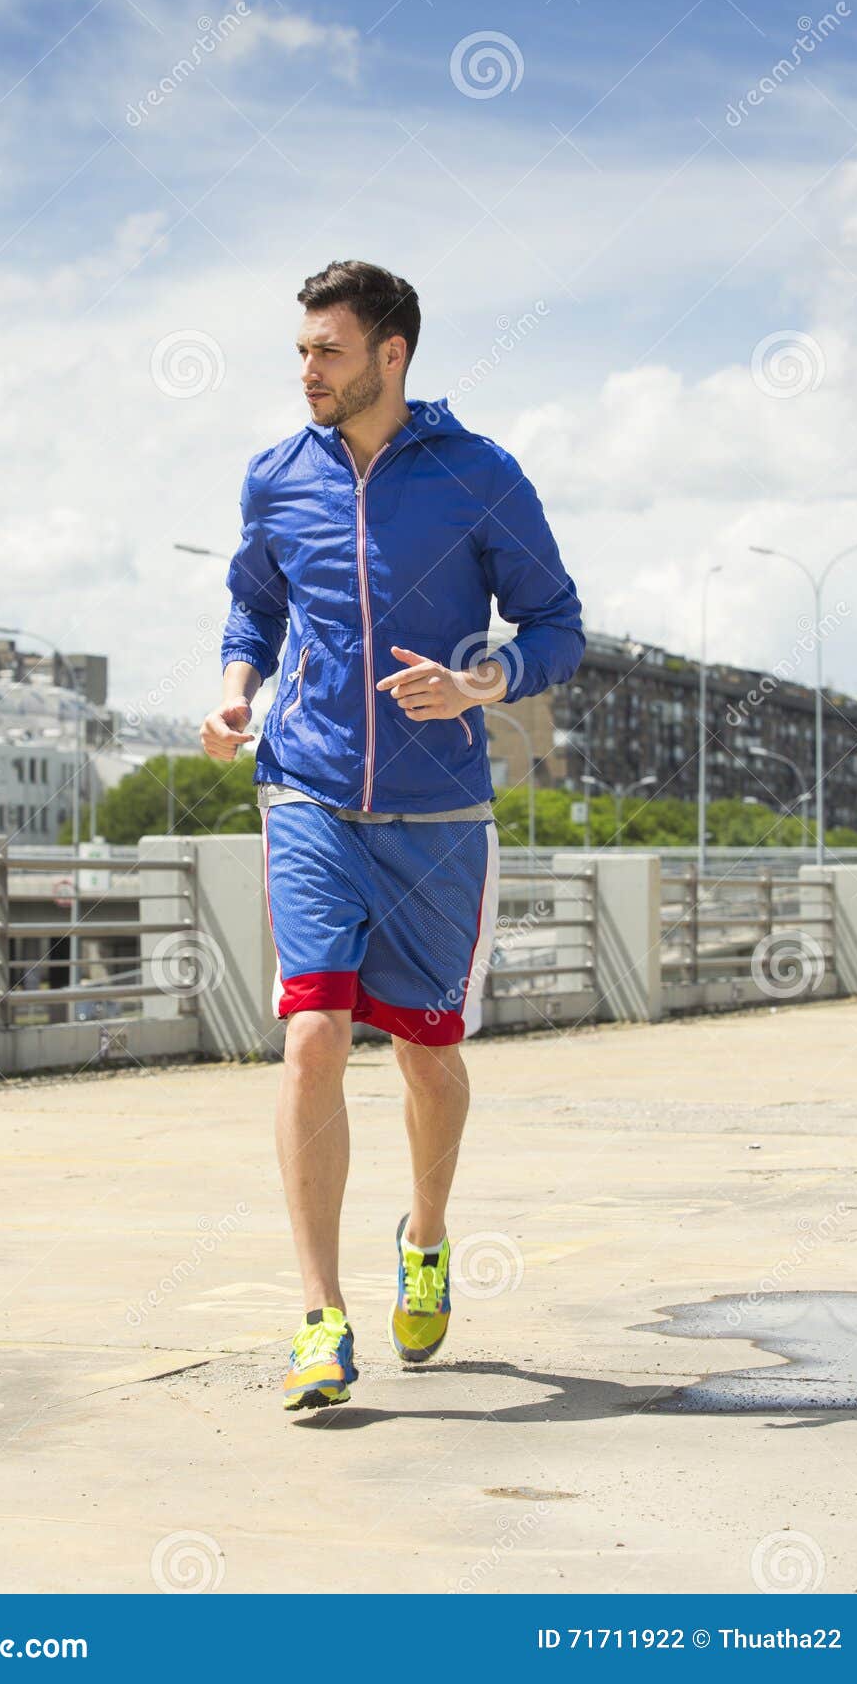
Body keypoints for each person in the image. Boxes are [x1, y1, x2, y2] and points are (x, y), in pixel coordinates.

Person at [200, 259, 583, 1412]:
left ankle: (424, 1232)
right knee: (312, 1030)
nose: (306, 369)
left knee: (425, 1052)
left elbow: (557, 625)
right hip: (307, 789)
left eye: (326, 350)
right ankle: (320, 1314)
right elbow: (252, 604)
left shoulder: (480, 477)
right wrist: (235, 686)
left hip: (437, 815)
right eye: (302, 350)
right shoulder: (277, 474)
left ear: (390, 355)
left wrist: (482, 682)